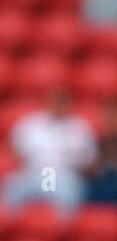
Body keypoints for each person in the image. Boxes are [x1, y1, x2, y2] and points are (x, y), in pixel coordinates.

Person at [3, 88, 98, 216]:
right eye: (55, 101)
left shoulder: (79, 128)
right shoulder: (31, 124)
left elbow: (89, 161)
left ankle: (63, 232)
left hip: (65, 175)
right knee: (11, 188)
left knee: (69, 196)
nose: (58, 105)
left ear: (69, 104)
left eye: (62, 102)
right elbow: (16, 150)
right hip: (34, 172)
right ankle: (7, 229)